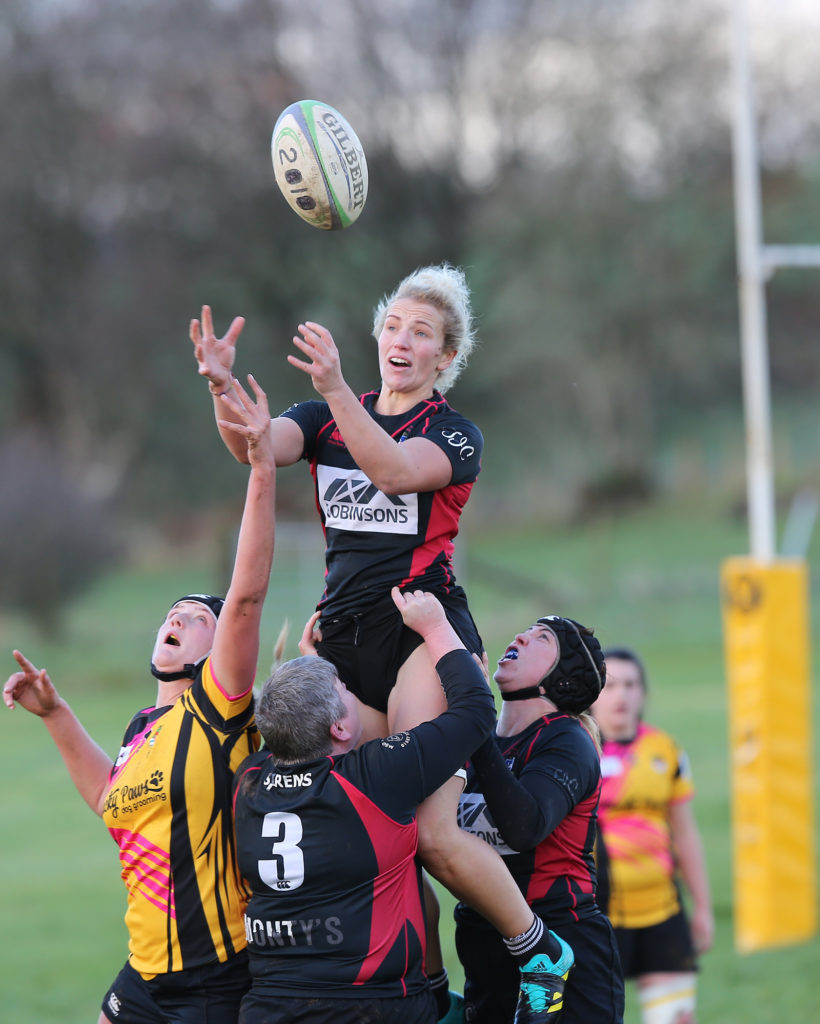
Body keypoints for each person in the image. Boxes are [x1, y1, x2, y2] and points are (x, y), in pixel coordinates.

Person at [191, 266, 571, 1023]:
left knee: (430, 834)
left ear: (444, 356)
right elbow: (256, 448)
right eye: (394, 325)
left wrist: (334, 389)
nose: (403, 339)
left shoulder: (452, 433)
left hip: (421, 634)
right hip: (342, 641)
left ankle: (537, 947)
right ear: (379, 335)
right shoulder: (329, 415)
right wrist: (221, 388)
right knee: (375, 836)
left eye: (421, 333)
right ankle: (429, 992)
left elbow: (395, 473)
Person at [3, 375, 277, 1024]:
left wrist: (262, 468)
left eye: (194, 617)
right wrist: (56, 713)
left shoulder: (218, 711)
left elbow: (243, 599)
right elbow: (109, 800)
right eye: (171, 612)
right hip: (146, 972)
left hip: (214, 976)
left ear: (218, 651)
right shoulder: (144, 727)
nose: (176, 618)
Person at [232, 588, 496, 1024]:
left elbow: (292, 726)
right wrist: (436, 627)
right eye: (344, 690)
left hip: (267, 1007)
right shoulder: (374, 776)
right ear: (338, 727)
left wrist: (313, 672)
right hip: (370, 1006)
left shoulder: (249, 779)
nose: (352, 693)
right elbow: (475, 710)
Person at [455, 615, 625, 1024]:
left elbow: (524, 826)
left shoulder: (566, 739)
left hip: (564, 956)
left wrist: (475, 715)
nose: (519, 636)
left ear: (561, 677)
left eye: (541, 638)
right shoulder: (479, 740)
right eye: (525, 631)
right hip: (487, 956)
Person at [590, 648, 713, 1024]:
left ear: (644, 693)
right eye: (610, 686)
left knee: (674, 1018)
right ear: (592, 692)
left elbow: (685, 833)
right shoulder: (574, 749)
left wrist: (703, 907)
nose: (621, 695)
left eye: (631, 685)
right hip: (595, 912)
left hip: (661, 907)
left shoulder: (665, 750)